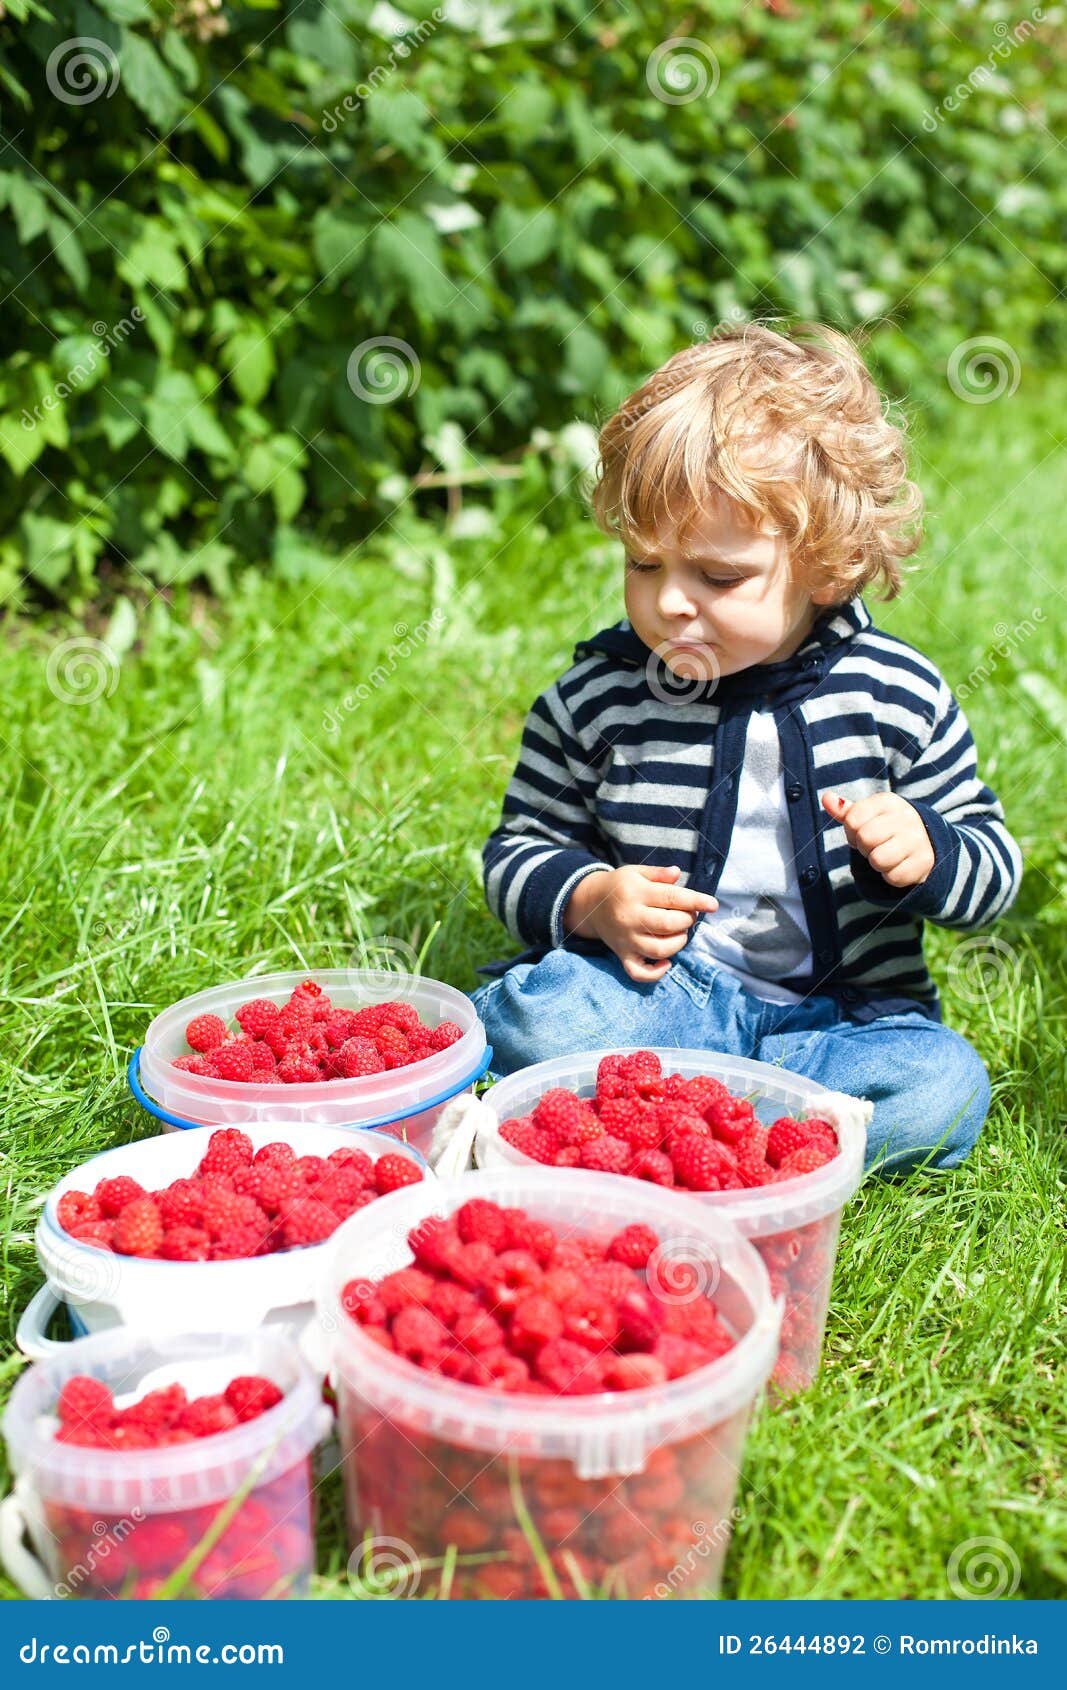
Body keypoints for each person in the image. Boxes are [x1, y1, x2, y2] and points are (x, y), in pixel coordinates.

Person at [470, 322, 1022, 1172]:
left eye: (718, 577)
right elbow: (516, 850)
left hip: (843, 1018)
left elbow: (991, 865)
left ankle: (698, 1114)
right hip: (662, 995)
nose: (670, 604)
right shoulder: (599, 697)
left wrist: (927, 850)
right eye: (643, 564)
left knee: (938, 1087)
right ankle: (739, 1121)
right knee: (543, 1019)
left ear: (826, 568)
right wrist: (591, 900)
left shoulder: (895, 696)